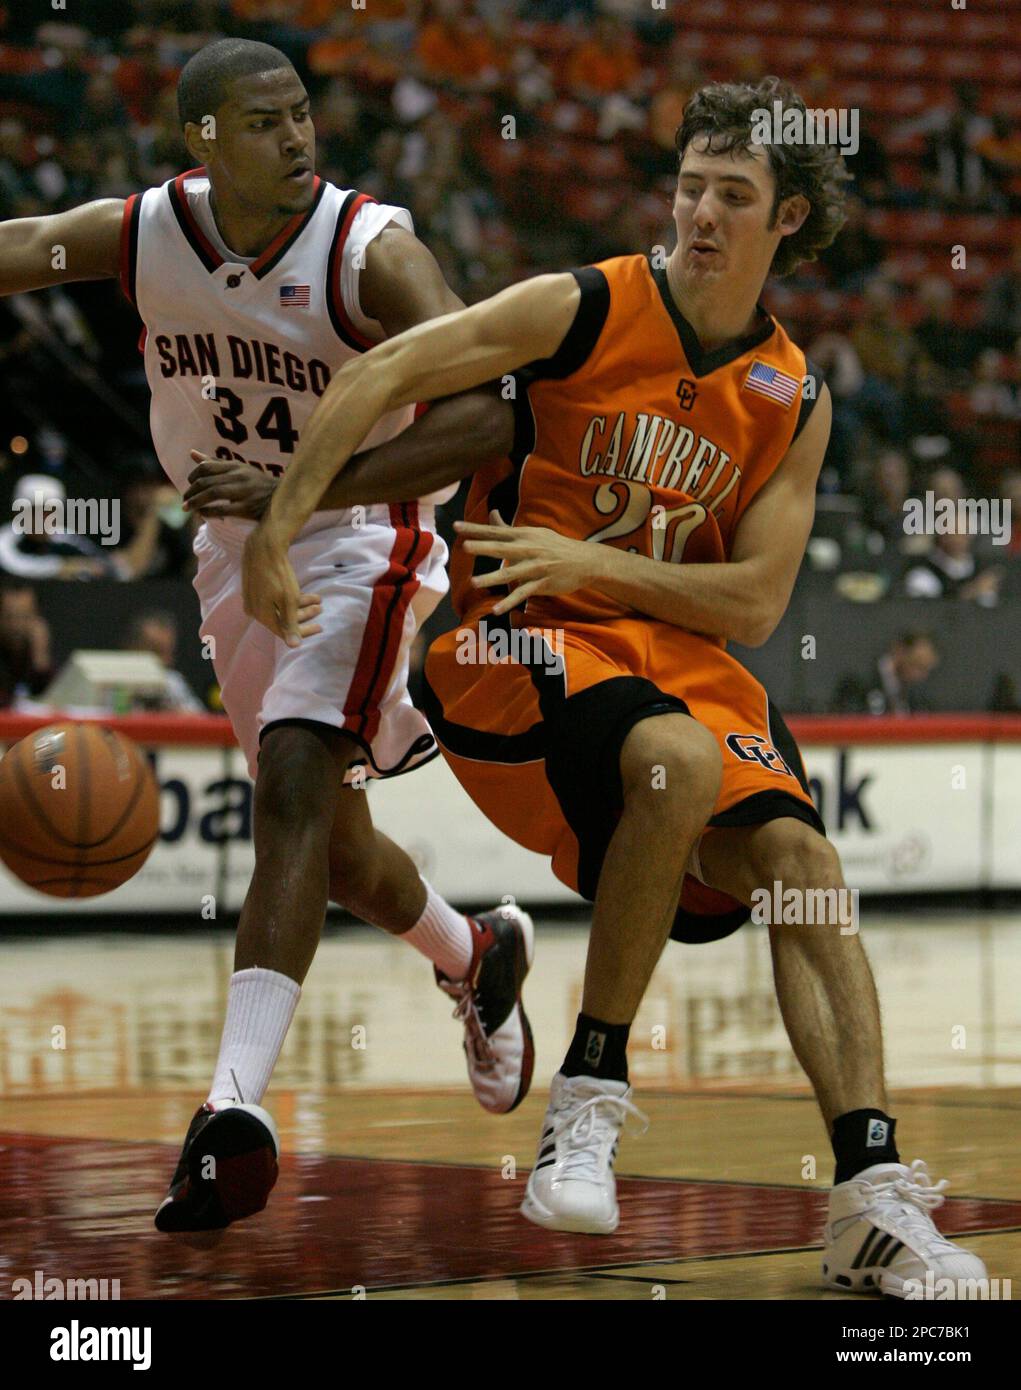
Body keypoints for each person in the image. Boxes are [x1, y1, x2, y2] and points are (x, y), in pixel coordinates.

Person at [234, 77, 986, 1297]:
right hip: (510, 639)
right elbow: (386, 374)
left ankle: (870, 1195)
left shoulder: (793, 397)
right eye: (689, 185)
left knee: (805, 872)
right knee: (677, 763)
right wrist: (281, 520)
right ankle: (588, 1097)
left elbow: (752, 606)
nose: (698, 211)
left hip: (668, 650)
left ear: (786, 220)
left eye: (731, 196)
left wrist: (592, 555)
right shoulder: (583, 306)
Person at [0, 37, 537, 1239]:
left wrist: (306, 478)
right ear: (202, 137)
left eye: (301, 114)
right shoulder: (147, 233)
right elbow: (22, 250)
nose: (296, 138)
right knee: (334, 850)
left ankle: (233, 1107)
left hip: (369, 541)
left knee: (295, 776)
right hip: (233, 556)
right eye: (263, 121)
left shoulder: (370, 250)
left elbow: (489, 405)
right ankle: (476, 951)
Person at [831, 631, 939, 716]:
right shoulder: (859, 682)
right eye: (916, 664)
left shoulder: (917, 695)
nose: (921, 675)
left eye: (926, 669)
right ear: (899, 651)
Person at [123, 609, 206, 712]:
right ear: (133, 647)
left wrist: (174, 713)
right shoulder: (112, 681)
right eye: (155, 650)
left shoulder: (173, 683)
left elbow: (200, 720)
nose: (165, 661)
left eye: (168, 652)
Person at [0, 582, 54, 706]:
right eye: (9, 616)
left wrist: (41, 657)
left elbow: (50, 700)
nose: (16, 625)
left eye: (25, 616)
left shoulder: (36, 648)